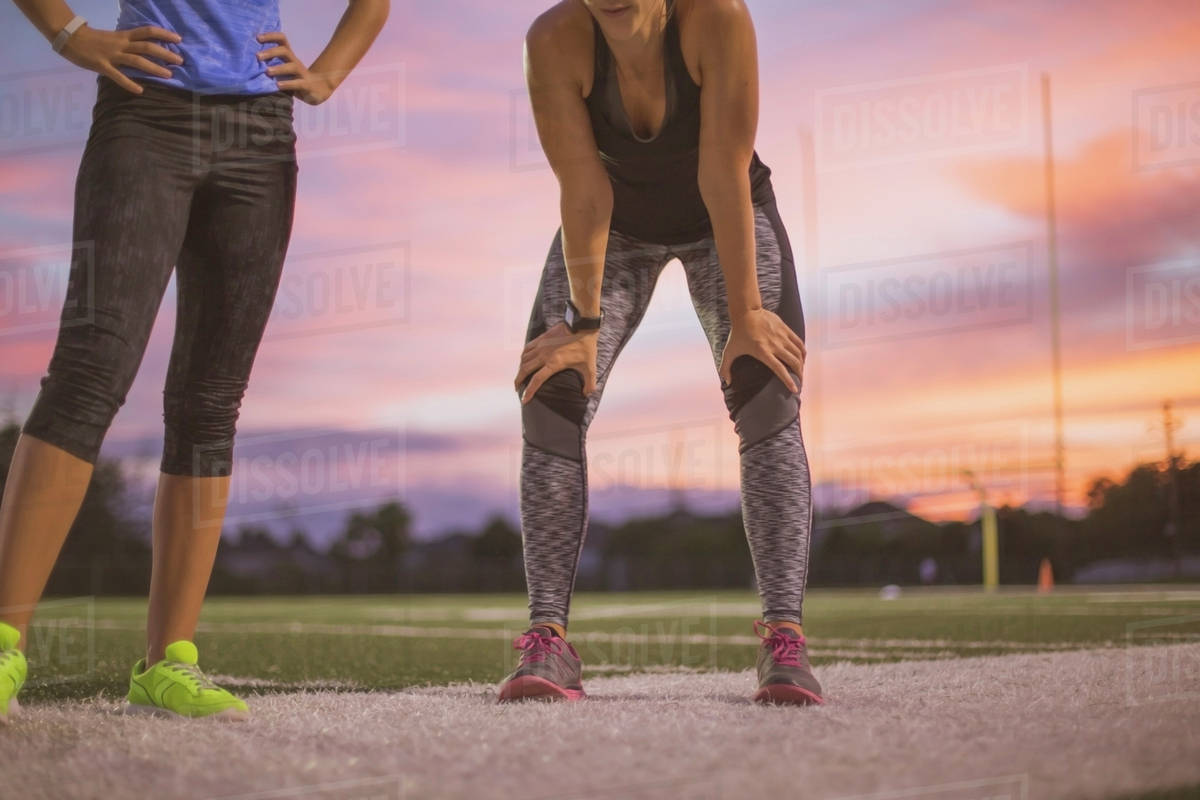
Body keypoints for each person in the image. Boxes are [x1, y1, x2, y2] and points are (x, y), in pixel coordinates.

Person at [0, 0, 388, 721]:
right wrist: (68, 33)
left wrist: (328, 73)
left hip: (261, 135)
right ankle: (3, 645)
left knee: (210, 403)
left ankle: (167, 665)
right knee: (89, 371)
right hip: (146, 114)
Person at [501, 0, 822, 705]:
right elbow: (583, 188)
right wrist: (582, 325)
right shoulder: (554, 40)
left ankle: (784, 639)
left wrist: (747, 315)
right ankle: (547, 637)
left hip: (722, 213)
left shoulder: (717, 19)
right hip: (615, 227)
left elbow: (722, 171)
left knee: (764, 378)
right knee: (553, 386)